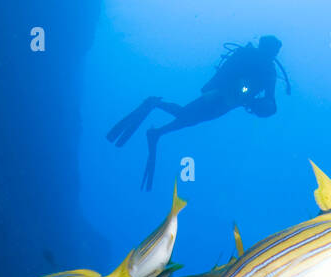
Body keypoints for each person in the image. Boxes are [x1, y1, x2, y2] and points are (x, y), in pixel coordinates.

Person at [107, 36, 289, 191]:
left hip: (228, 104)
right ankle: (155, 108)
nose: (272, 54)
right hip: (217, 95)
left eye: (274, 51)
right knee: (187, 116)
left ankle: (156, 129)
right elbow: (226, 73)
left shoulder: (269, 72)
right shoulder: (247, 57)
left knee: (190, 119)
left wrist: (262, 106)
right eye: (271, 49)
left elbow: (271, 102)